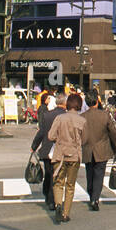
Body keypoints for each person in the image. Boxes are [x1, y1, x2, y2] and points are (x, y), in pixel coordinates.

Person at [47, 93, 87, 223]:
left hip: (60, 154)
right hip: (74, 155)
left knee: (58, 182)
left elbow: (50, 136)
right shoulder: (82, 121)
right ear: (79, 105)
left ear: (68, 104)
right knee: (70, 185)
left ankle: (58, 204)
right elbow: (85, 139)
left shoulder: (59, 118)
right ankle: (65, 213)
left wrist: (59, 139)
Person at [81, 90, 116, 212]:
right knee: (99, 175)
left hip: (87, 149)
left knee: (89, 173)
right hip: (102, 149)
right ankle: (95, 198)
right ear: (97, 102)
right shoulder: (104, 115)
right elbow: (113, 132)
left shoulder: (82, 117)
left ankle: (91, 193)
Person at [32, 92, 64, 212]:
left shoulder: (47, 115)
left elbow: (41, 132)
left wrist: (34, 145)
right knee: (57, 176)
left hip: (46, 148)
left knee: (49, 174)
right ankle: (53, 199)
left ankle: (48, 197)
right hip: (60, 149)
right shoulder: (65, 115)